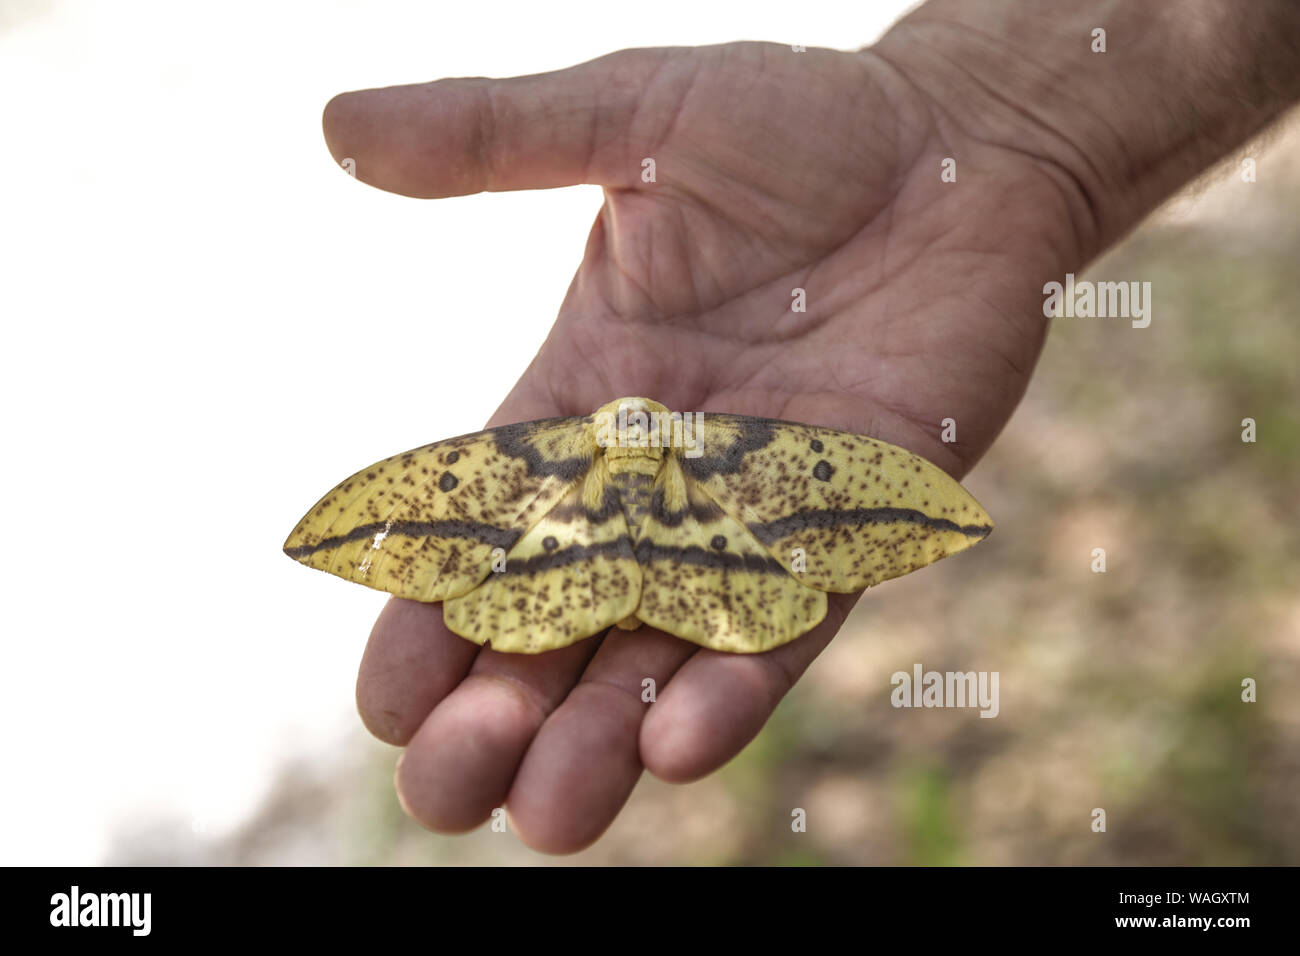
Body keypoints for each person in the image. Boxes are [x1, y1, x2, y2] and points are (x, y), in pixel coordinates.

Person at [319, 0, 1300, 853]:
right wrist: (977, 105)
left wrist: (976, 111)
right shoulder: (750, 458)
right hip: (723, 511)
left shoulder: (533, 465)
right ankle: (686, 588)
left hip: (562, 534)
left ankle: (596, 592)